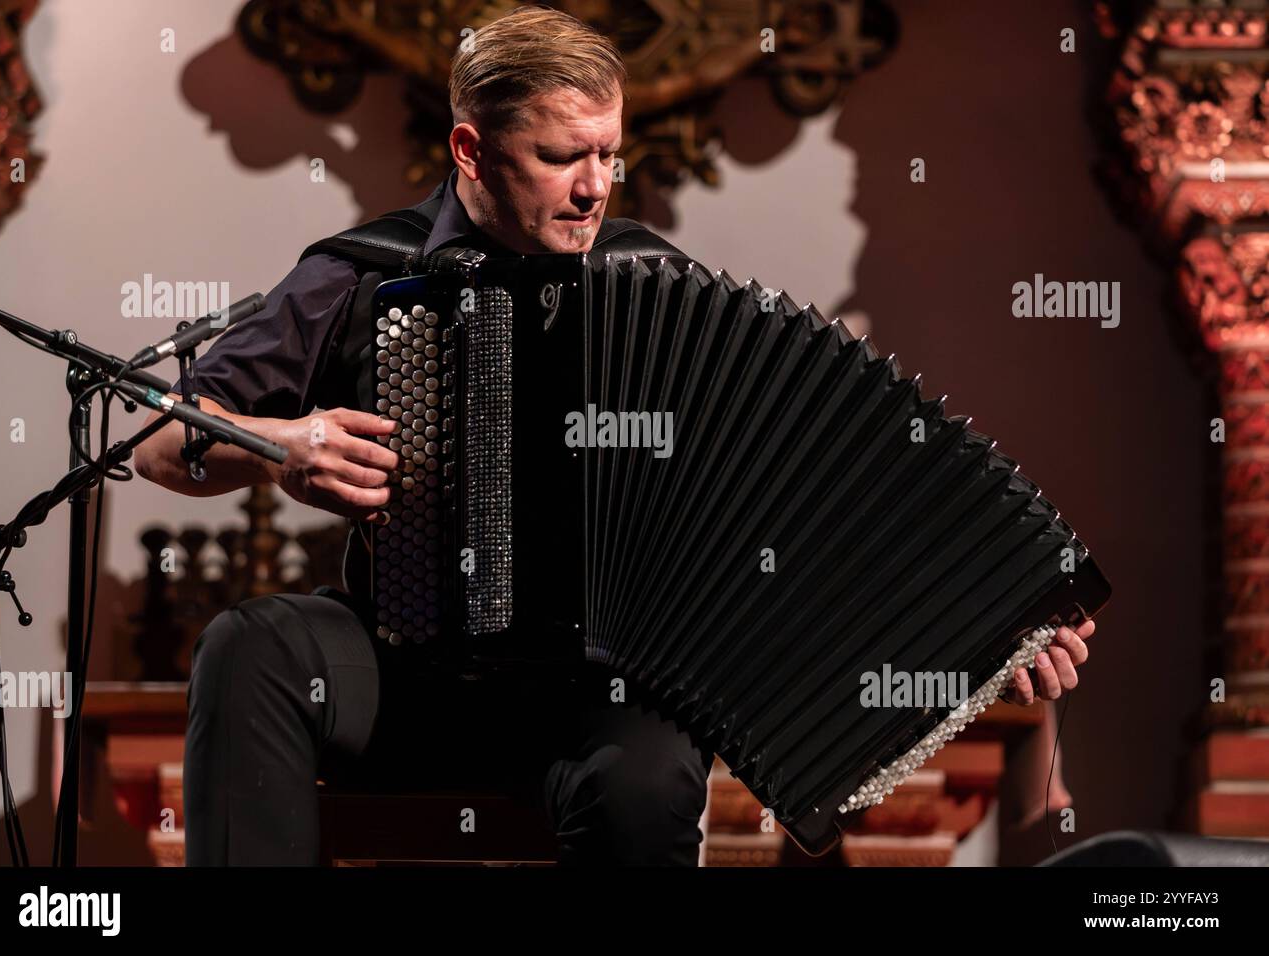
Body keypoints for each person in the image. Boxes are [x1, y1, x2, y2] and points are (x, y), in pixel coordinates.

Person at [131, 5, 1094, 866]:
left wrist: (983, 637)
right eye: (561, 157)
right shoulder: (358, 277)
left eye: (609, 154)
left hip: (596, 699)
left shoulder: (658, 291)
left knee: (652, 780)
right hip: (409, 677)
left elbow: (806, 510)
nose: (596, 187)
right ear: (470, 150)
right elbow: (163, 443)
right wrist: (283, 443)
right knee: (251, 647)